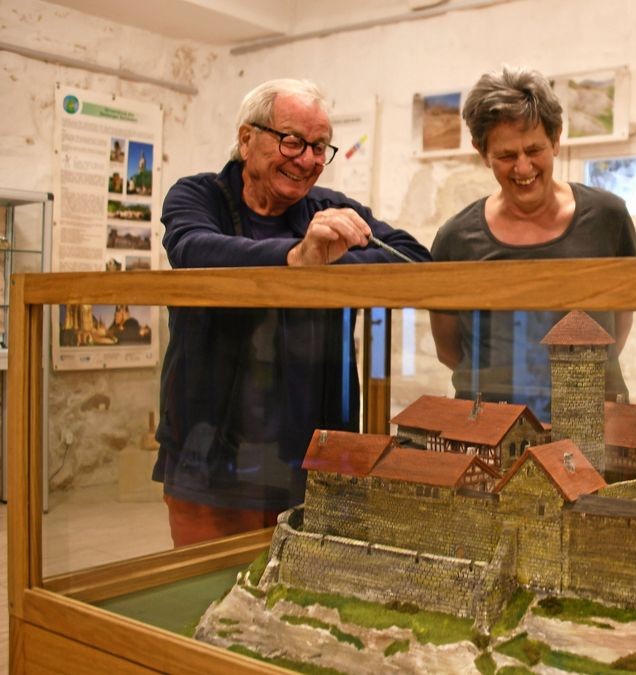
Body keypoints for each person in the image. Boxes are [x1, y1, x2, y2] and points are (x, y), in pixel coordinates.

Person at [154, 79, 431, 547]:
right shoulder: (197, 196)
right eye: (292, 141)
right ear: (247, 139)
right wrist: (297, 258)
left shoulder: (331, 209)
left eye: (319, 147)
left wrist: (325, 261)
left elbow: (412, 259)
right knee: (209, 599)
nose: (306, 159)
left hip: (317, 457)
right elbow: (192, 249)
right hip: (212, 456)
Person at [430, 66, 636, 422]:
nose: (523, 167)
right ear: (483, 153)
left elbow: (619, 328)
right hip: (490, 425)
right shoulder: (455, 238)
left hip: (594, 417)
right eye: (507, 156)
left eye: (534, 149)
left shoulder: (609, 217)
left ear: (556, 139)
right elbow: (450, 351)